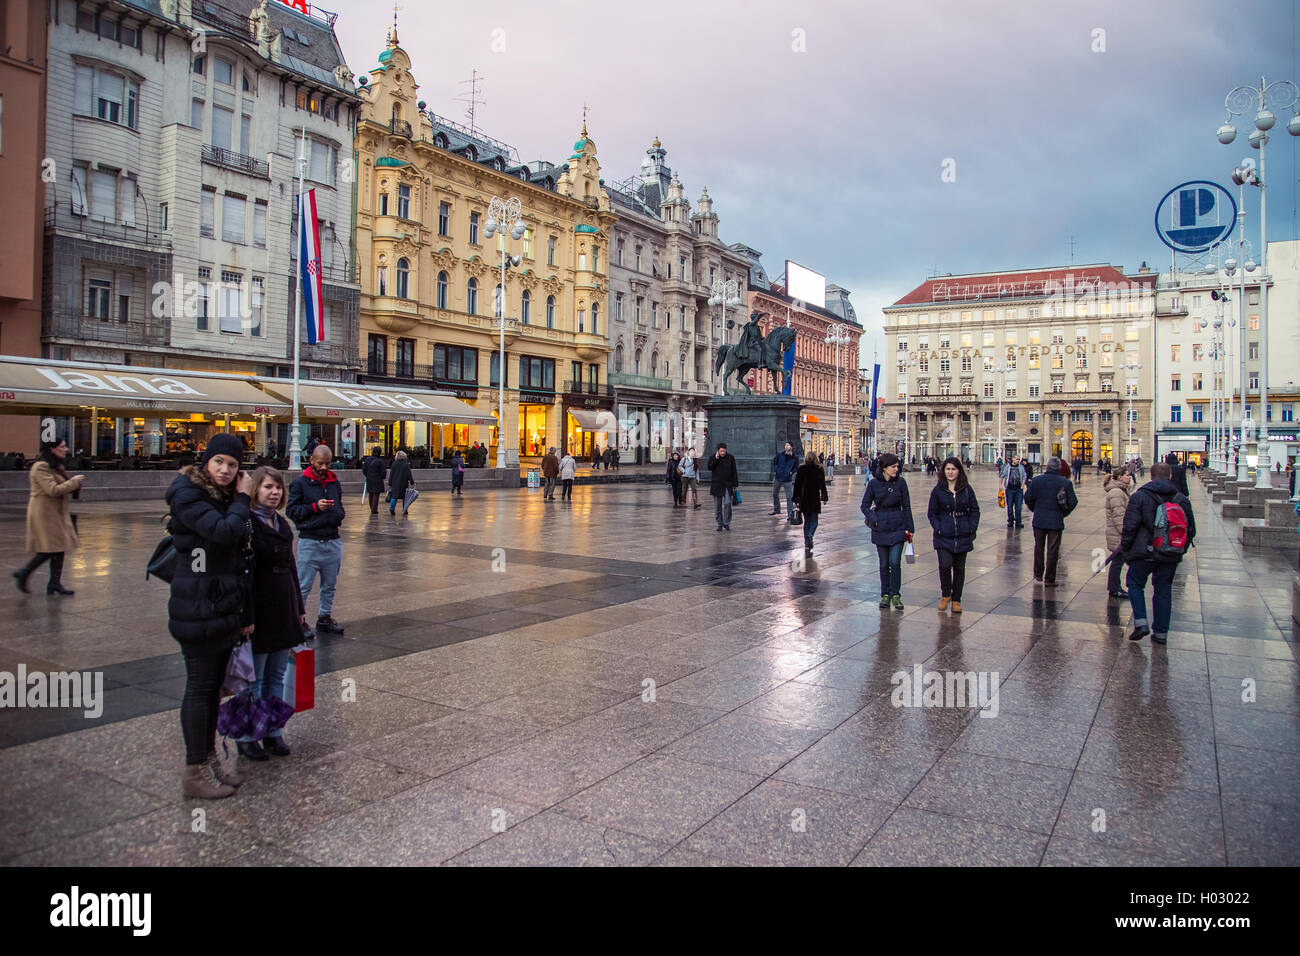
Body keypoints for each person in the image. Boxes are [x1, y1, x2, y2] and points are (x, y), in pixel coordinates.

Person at [164, 433, 254, 799]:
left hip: (217, 605)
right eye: (219, 462)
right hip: (196, 606)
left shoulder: (219, 496)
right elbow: (224, 532)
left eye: (232, 465)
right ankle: (193, 771)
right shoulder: (188, 493)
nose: (225, 470)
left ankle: (209, 761)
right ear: (206, 462)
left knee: (213, 689)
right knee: (200, 690)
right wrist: (244, 497)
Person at [238, 466, 308, 761]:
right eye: (267, 487)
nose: (274, 492)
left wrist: (300, 609)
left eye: (277, 487)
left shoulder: (282, 524)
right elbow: (240, 573)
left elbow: (292, 567)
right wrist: (245, 616)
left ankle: (273, 732)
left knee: (277, 674)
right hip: (259, 608)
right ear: (255, 489)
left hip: (284, 607)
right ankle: (247, 734)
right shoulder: (246, 524)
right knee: (255, 677)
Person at [1121, 462, 1196, 644]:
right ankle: (1161, 633)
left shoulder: (1140, 496)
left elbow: (1129, 526)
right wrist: (1178, 550)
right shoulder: (1181, 499)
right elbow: (1191, 529)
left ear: (1151, 476)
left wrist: (1126, 549)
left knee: (1135, 583)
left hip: (1144, 551)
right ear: (1170, 476)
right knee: (1163, 590)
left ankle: (1141, 622)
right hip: (1169, 553)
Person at [287, 444, 346, 635]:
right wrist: (314, 507)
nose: (324, 468)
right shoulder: (300, 484)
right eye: (320, 463)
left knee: (329, 585)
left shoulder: (334, 483)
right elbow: (292, 511)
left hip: (332, 540)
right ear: (311, 460)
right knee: (303, 585)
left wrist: (337, 513)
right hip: (310, 542)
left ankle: (324, 617)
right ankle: (298, 621)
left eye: (327, 464)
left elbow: (339, 507)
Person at [13, 438, 83, 595]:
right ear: (52, 449)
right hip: (44, 512)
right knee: (50, 549)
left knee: (59, 547)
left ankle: (54, 583)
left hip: (55, 512)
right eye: (62, 447)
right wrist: (73, 482)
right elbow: (52, 490)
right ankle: (24, 573)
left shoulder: (56, 466)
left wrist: (73, 485)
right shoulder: (40, 467)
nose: (65, 449)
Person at [861, 452, 913, 610]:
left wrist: (910, 528)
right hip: (881, 527)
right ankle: (885, 594)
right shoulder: (874, 484)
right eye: (893, 466)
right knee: (884, 564)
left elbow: (907, 506)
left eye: (897, 466)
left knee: (895, 562)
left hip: (898, 525)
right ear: (884, 468)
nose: (896, 469)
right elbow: (864, 506)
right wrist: (874, 518)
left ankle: (896, 594)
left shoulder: (901, 483)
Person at [927, 457, 979, 612]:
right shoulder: (938, 490)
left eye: (953, 469)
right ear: (943, 471)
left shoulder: (967, 489)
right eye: (948, 469)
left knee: (959, 568)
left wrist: (971, 527)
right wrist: (938, 527)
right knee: (944, 565)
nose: (950, 472)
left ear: (959, 471)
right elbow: (932, 513)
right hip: (944, 534)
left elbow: (975, 510)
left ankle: (956, 599)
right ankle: (945, 595)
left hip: (963, 533)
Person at [1023, 455, 1077, 586]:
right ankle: (1049, 578)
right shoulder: (1065, 482)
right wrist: (1063, 513)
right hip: (1055, 521)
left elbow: (1028, 498)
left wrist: (1035, 509)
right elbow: (1073, 502)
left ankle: (1038, 573)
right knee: (1053, 551)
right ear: (1059, 468)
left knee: (1038, 548)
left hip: (1039, 519)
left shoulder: (1037, 481)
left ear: (1046, 467)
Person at [1104, 466, 1133, 599]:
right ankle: (1115, 588)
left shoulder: (1121, 490)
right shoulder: (1117, 493)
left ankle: (1115, 587)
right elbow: (1118, 515)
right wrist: (1125, 532)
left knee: (1118, 561)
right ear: (1119, 477)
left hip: (1117, 533)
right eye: (1127, 475)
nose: (1130, 477)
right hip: (1118, 533)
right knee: (1118, 561)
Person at [793, 449, 828, 553]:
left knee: (807, 522)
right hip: (814, 498)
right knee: (815, 521)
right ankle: (810, 535)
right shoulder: (819, 469)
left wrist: (796, 498)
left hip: (804, 498)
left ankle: (806, 543)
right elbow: (822, 485)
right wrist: (824, 497)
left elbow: (797, 485)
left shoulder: (801, 469)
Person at [709, 443, 739, 531]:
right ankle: (719, 523)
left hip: (727, 485)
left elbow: (734, 471)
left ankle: (726, 523)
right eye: (721, 451)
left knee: (727, 503)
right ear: (718, 451)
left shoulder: (730, 457)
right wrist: (716, 459)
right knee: (717, 506)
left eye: (724, 451)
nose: (722, 453)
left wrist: (735, 484)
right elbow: (710, 467)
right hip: (716, 485)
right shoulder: (713, 457)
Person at [771, 442, 798, 520]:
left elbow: (796, 467)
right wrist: (777, 470)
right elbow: (775, 462)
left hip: (787, 479)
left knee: (789, 497)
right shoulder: (780, 454)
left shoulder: (795, 457)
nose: (786, 446)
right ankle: (776, 510)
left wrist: (791, 472)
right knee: (775, 494)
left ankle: (790, 514)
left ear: (791, 447)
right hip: (778, 477)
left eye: (788, 445)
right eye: (786, 445)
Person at [1000, 454, 1027, 530]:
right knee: (1010, 506)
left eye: (1019, 459)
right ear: (1013, 460)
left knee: (1018, 507)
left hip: (1018, 489)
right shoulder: (1007, 467)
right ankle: (1010, 521)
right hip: (1010, 489)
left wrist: (1022, 485)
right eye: (1016, 459)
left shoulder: (1021, 467)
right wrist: (1000, 485)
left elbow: (1024, 476)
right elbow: (1002, 475)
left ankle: (1018, 521)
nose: (1018, 460)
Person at [386, 450, 415, 515]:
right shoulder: (406, 464)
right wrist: (412, 482)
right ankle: (405, 510)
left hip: (395, 483)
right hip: (403, 483)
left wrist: (390, 483)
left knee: (394, 496)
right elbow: (409, 474)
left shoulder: (394, 463)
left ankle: (392, 509)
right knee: (405, 497)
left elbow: (391, 475)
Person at [362, 446, 385, 515]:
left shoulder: (367, 459)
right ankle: (374, 509)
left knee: (371, 493)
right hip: (377, 479)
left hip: (369, 478)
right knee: (376, 494)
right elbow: (383, 472)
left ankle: (371, 507)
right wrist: (382, 477)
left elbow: (364, 470)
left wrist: (368, 475)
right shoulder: (380, 461)